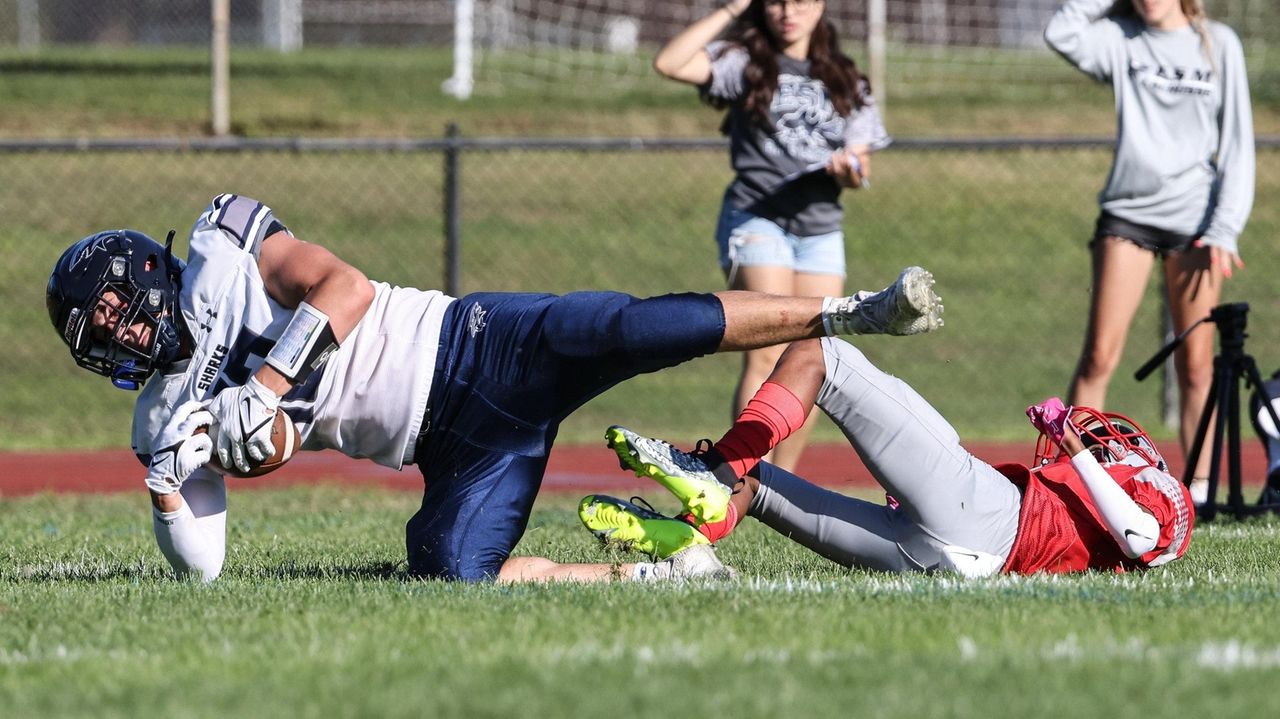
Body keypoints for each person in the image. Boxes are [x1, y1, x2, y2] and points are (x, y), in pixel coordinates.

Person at [44, 193, 944, 584]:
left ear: (146, 267)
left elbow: (343, 286)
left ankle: (847, 312)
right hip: (449, 444)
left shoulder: (223, 250)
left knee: (627, 327)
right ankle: (660, 570)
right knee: (447, 563)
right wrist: (169, 482)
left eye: (116, 306)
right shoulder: (164, 417)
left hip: (471, 346)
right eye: (99, 332)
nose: (121, 331)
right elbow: (205, 565)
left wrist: (270, 381)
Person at [581, 337, 1193, 575]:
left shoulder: (1159, 489)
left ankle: (711, 476)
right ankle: (688, 550)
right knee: (758, 483)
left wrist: (1076, 448)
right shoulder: (1098, 504)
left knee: (821, 355)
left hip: (989, 516)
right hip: (953, 564)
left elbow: (1140, 536)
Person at [653, 0, 890, 472]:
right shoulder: (745, 63)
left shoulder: (846, 78)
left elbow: (860, 167)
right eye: (777, 1)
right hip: (758, 218)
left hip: (820, 229)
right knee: (766, 355)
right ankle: (742, 480)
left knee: (811, 358)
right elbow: (669, 63)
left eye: (799, 0)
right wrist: (730, 8)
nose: (788, 11)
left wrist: (848, 169)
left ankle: (781, 487)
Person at [1045, 0, 1255, 505]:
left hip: (1197, 225)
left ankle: (1198, 493)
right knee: (1099, 357)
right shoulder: (1120, 37)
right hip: (1129, 216)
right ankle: (1070, 486)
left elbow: (1237, 144)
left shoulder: (1219, 44)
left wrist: (1225, 228)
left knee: (1197, 367)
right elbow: (1060, 31)